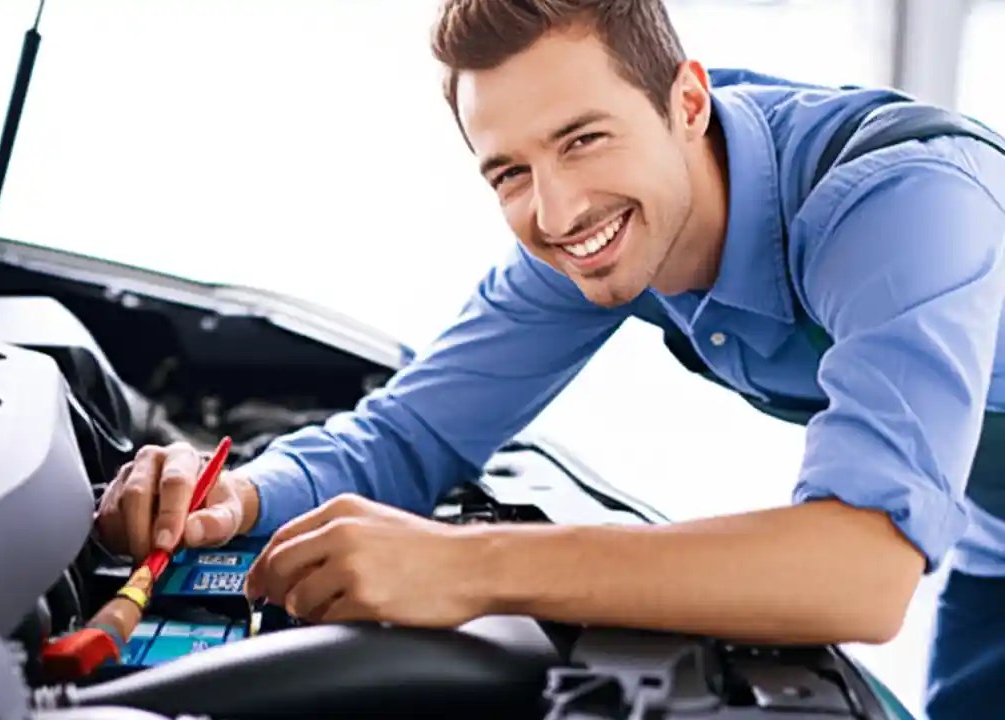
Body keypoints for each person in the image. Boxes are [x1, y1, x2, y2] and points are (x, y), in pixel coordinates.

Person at [93, 1, 1005, 717]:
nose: (558, 209)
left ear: (688, 102)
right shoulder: (611, 224)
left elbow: (860, 571)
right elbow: (408, 434)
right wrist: (236, 495)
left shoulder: (904, 205)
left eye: (583, 138)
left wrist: (472, 565)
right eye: (510, 172)